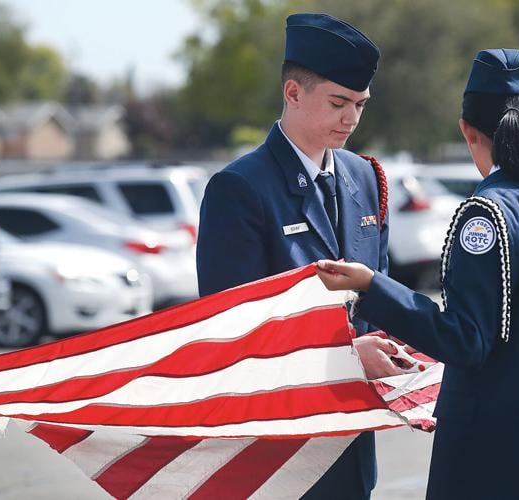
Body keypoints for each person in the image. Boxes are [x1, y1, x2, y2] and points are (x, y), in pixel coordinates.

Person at [316, 48, 519, 499]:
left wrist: (372, 286)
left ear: (467, 130)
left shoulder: (487, 213)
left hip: (491, 468)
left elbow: (467, 340)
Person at [196, 12, 401, 500]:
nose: (351, 118)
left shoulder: (366, 176)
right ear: (293, 93)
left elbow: (380, 294)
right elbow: (236, 330)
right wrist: (350, 357)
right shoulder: (240, 188)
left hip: (354, 438)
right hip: (282, 449)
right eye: (338, 102)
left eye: (360, 104)